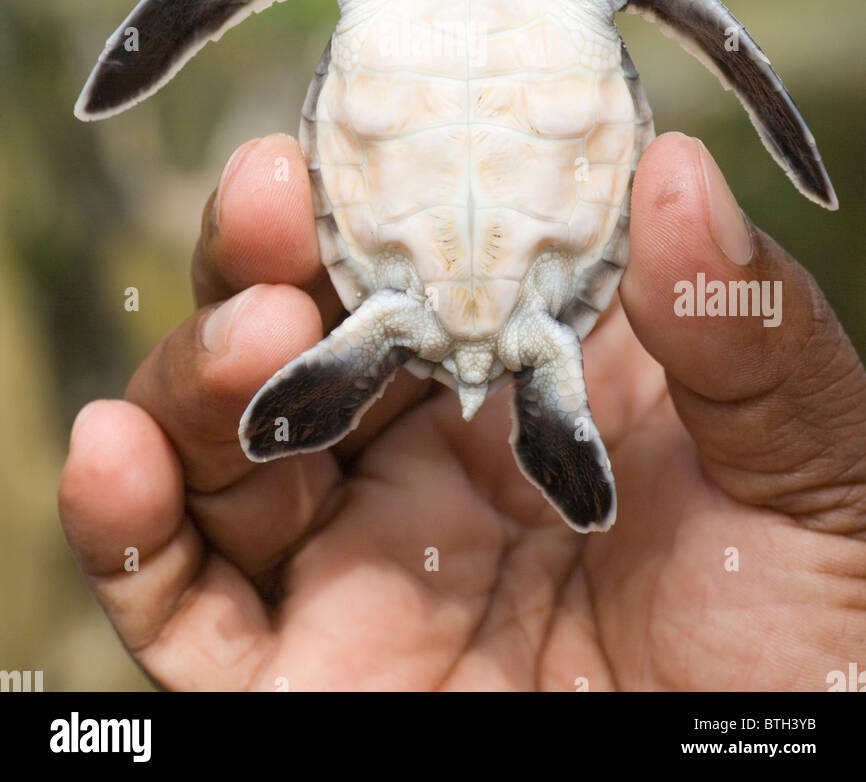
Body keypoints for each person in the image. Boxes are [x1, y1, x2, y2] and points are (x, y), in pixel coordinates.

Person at [59, 131, 866, 691]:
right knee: (353, 329)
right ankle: (335, 391)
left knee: (474, 342)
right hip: (433, 301)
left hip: (478, 309)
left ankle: (367, 398)